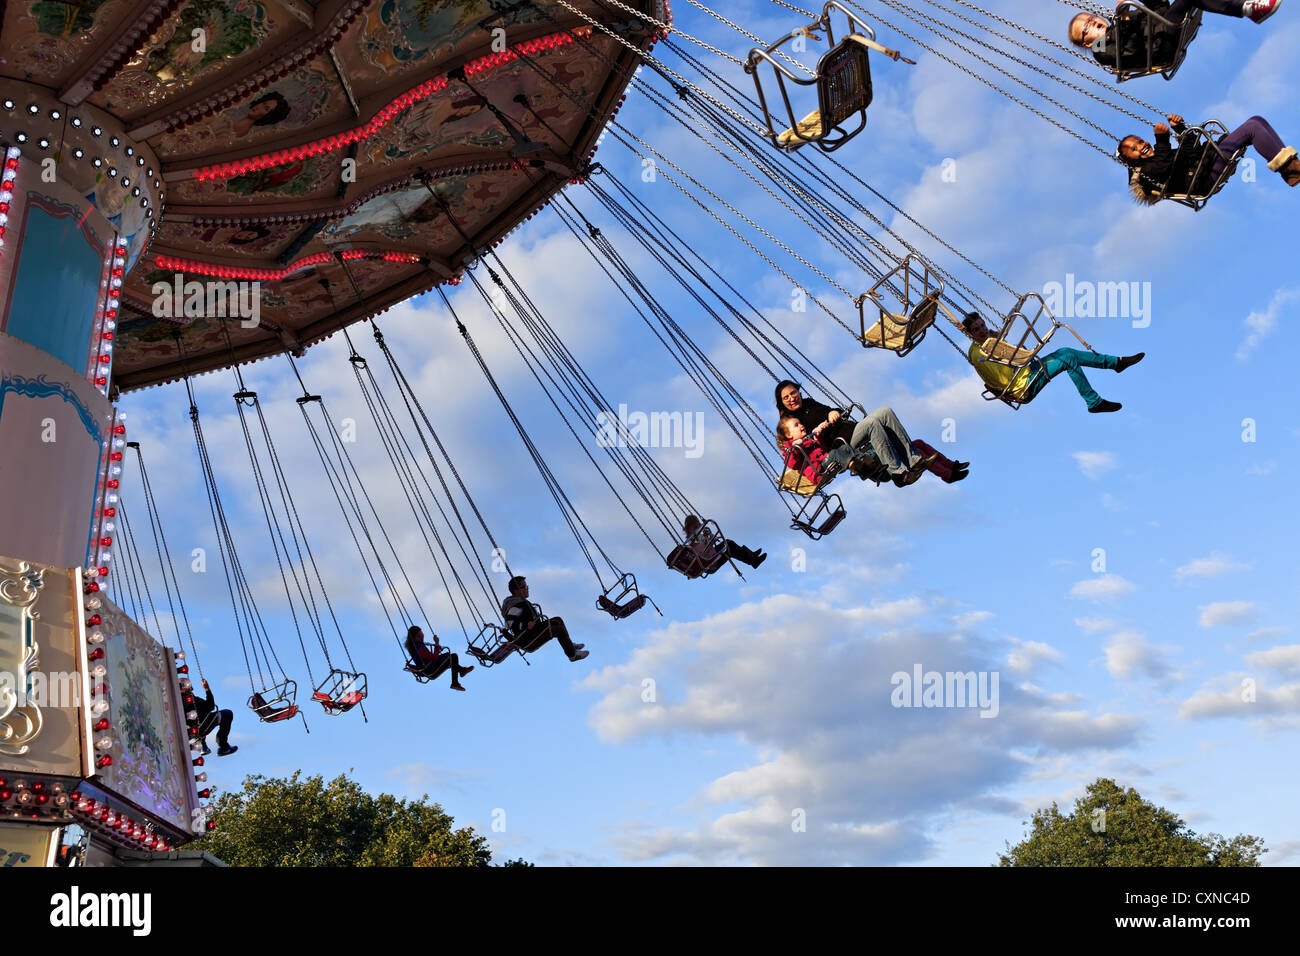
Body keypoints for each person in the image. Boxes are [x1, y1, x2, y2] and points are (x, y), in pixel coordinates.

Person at [775, 381, 969, 487]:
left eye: (794, 393)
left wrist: (832, 412)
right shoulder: (792, 422)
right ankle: (899, 473)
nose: (792, 398)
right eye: (787, 397)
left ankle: (925, 463)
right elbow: (798, 444)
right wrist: (814, 431)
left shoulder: (808, 403)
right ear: (781, 403)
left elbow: (830, 409)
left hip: (851, 429)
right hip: (842, 443)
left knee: (885, 411)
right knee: (874, 423)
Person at [961, 313, 1144, 413]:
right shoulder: (980, 353)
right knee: (1068, 359)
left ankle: (1116, 363)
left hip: (1027, 371)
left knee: (1065, 351)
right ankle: (1094, 402)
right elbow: (1002, 376)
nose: (982, 330)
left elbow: (1010, 358)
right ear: (970, 334)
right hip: (1022, 385)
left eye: (982, 325)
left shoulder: (989, 343)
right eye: (976, 329)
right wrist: (1018, 356)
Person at [1118, 113, 1300, 203]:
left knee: (1257, 120)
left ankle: (1291, 169)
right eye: (1134, 149)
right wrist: (1162, 139)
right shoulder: (1146, 173)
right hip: (1203, 177)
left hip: (1204, 164)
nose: (1141, 146)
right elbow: (1165, 167)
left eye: (1140, 141)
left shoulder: (1161, 155)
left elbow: (1189, 154)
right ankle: (1291, 170)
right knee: (1252, 128)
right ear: (1131, 160)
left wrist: (1180, 129)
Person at [1068, 0, 1281, 71]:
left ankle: (1250, 6)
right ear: (1086, 42)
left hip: (1164, 31)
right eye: (1086, 28)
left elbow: (1159, 13)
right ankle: (1249, 9)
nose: (1093, 22)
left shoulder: (1125, 17)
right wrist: (1124, 22)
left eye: (1090, 18)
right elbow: (1131, 52)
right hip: (1158, 48)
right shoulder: (1099, 50)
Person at [500, 576, 588, 662]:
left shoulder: (519, 601)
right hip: (528, 639)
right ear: (516, 591)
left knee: (557, 620)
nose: (527, 589)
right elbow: (509, 623)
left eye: (527, 586)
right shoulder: (515, 605)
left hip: (534, 631)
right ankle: (572, 655)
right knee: (558, 630)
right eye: (524, 587)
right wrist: (525, 626)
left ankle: (569, 645)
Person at [682, 514, 766, 570]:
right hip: (711, 562)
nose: (698, 528)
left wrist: (710, 536)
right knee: (730, 547)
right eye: (695, 527)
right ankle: (753, 561)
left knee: (729, 542)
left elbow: (709, 542)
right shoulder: (693, 544)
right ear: (689, 530)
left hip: (713, 555)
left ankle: (751, 556)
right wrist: (710, 540)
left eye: (699, 525)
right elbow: (705, 551)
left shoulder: (700, 537)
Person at [404, 625, 473, 691]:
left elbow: (428, 657)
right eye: (419, 636)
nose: (422, 638)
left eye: (422, 635)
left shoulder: (414, 648)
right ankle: (456, 681)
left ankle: (461, 671)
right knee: (453, 657)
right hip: (431, 670)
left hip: (428, 668)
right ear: (414, 639)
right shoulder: (420, 648)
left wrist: (437, 650)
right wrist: (436, 643)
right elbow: (434, 658)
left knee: (447, 656)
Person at [194, 678, 238, 757]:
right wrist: (207, 689)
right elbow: (210, 706)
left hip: (190, 731)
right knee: (227, 714)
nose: (192, 689)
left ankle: (203, 746)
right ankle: (223, 746)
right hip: (203, 726)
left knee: (197, 723)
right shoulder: (193, 700)